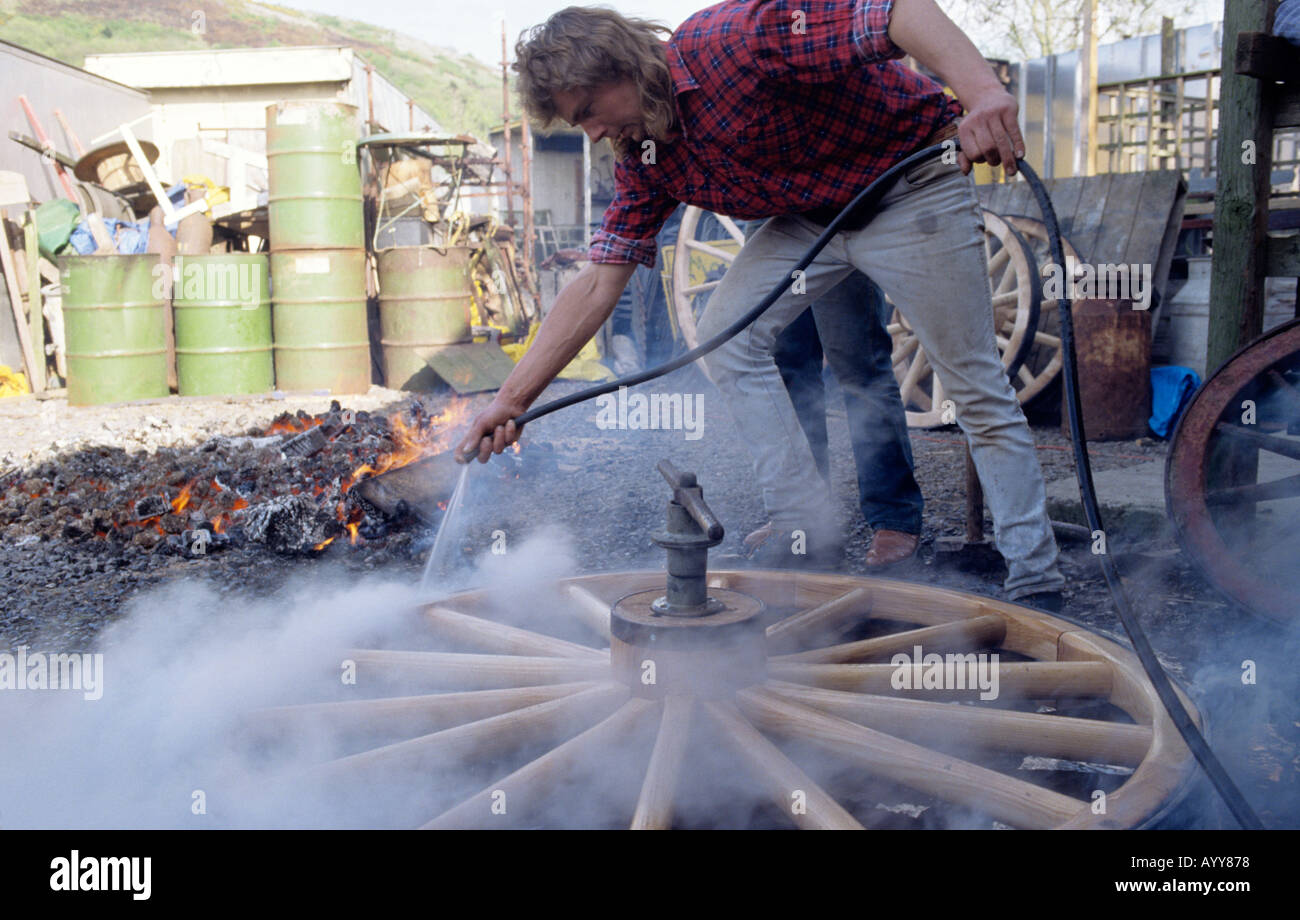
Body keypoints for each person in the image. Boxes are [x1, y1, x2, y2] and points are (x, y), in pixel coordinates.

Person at [456, 0, 1065, 608]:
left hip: (908, 188)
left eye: (589, 110)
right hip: (809, 219)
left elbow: (896, 11)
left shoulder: (737, 42)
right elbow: (597, 282)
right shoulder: (643, 155)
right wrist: (512, 400)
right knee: (725, 338)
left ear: (624, 66)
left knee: (975, 385)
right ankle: (806, 524)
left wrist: (983, 95)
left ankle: (1036, 578)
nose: (590, 132)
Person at [754, 270, 924, 569]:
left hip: (829, 225)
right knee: (786, 366)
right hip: (772, 225)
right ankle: (804, 516)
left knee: (860, 362)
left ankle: (894, 516)